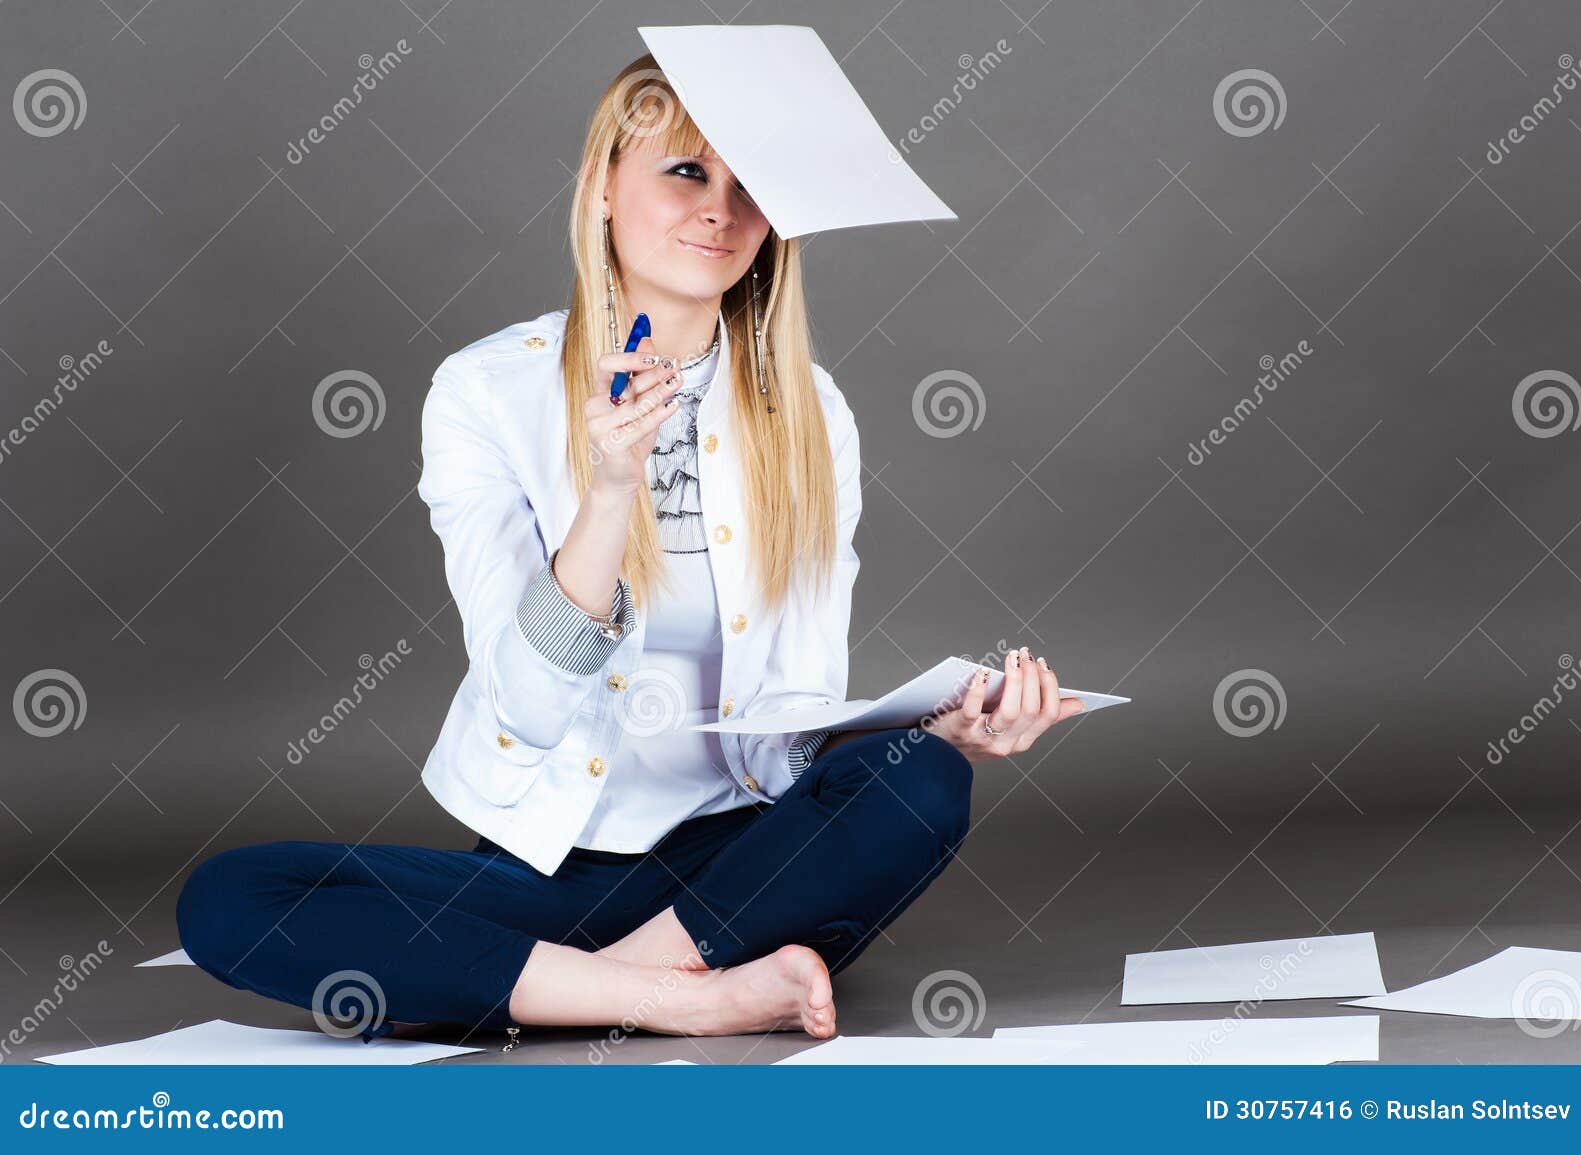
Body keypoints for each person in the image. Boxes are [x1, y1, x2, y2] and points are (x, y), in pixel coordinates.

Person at [177, 54, 1082, 1049]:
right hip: (549, 867)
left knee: (921, 781)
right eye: (686, 172)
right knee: (232, 897)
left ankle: (596, 984)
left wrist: (945, 730)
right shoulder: (486, 391)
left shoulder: (812, 411)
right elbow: (522, 705)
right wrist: (610, 489)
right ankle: (692, 995)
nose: (720, 210)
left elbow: (796, 714)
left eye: (750, 186)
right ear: (603, 186)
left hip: (744, 867)